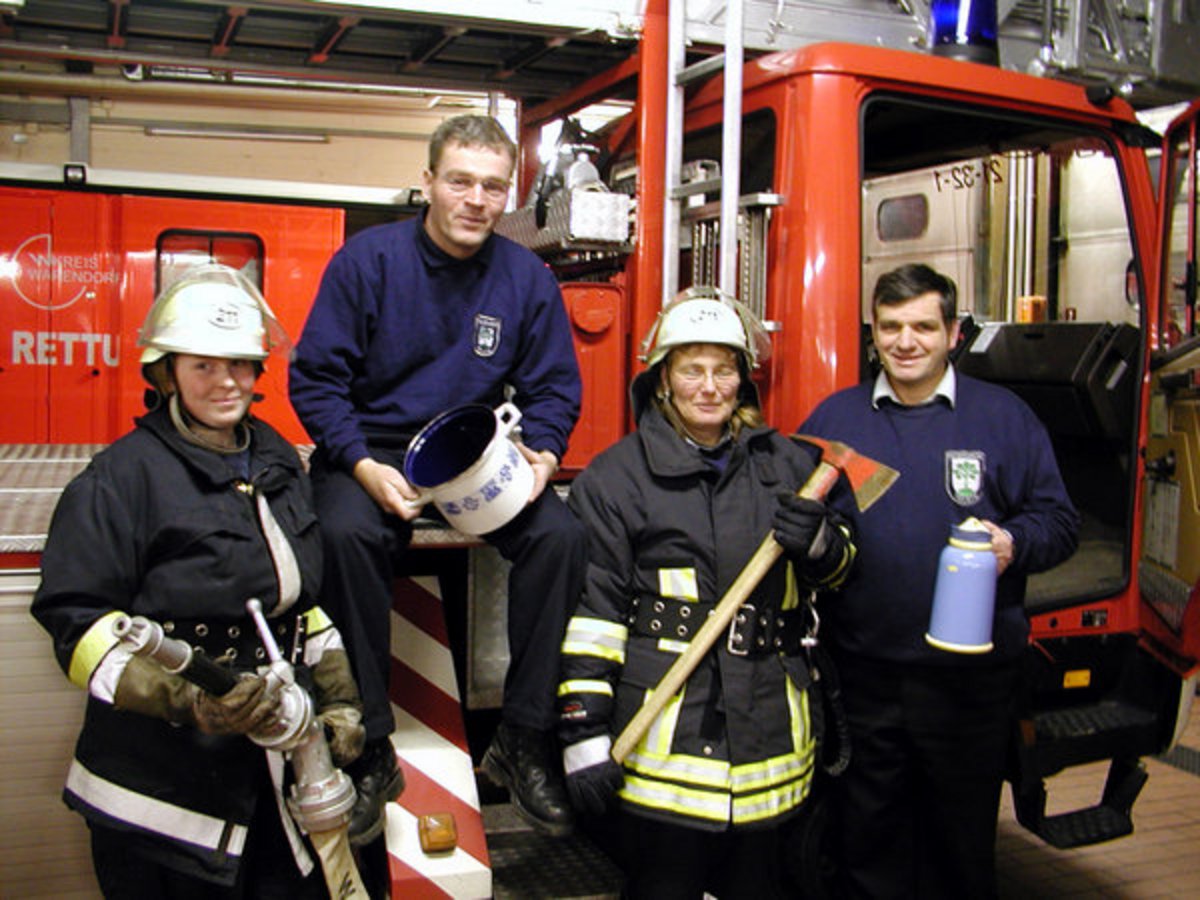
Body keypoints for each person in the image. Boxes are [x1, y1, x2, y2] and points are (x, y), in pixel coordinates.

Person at [289, 113, 586, 841]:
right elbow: (316, 382)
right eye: (460, 181)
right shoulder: (368, 263)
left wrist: (542, 454)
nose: (476, 199)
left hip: (471, 456)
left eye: (492, 186)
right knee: (343, 536)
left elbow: (554, 388)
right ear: (428, 183)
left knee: (562, 539)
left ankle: (523, 737)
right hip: (373, 448)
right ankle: (370, 747)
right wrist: (360, 465)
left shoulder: (526, 278)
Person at [31, 263, 365, 898]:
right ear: (167, 371)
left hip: (270, 788)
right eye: (203, 365)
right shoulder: (122, 480)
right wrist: (189, 701)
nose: (226, 381)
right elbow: (79, 631)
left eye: (240, 364)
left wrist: (341, 698)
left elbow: (300, 609)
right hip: (157, 805)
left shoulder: (278, 464)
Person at [556, 289, 856, 899]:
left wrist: (822, 544)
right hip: (667, 741)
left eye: (724, 369)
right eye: (691, 368)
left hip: (770, 735)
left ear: (743, 379)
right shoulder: (617, 478)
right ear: (663, 377)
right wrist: (582, 730)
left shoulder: (792, 467)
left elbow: (845, 574)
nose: (709, 386)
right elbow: (596, 612)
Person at [799, 263, 1080, 899]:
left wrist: (1016, 542)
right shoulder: (835, 418)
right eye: (890, 326)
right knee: (867, 842)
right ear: (873, 330)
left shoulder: (1004, 418)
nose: (906, 341)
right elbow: (803, 527)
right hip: (865, 675)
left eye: (923, 326)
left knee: (960, 843)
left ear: (952, 332)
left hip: (971, 684)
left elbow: (1060, 522)